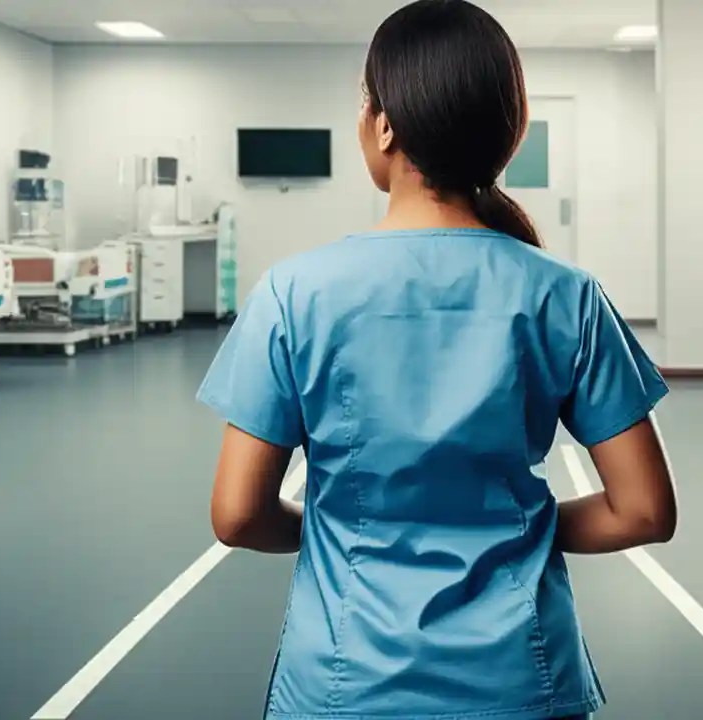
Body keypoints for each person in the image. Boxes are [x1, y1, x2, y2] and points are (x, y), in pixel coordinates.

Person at [197, 1, 677, 718]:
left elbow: (238, 516)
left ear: (384, 125)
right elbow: (643, 512)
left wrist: (347, 531)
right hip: (522, 681)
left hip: (343, 684)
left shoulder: (294, 293)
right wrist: (518, 530)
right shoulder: (566, 296)